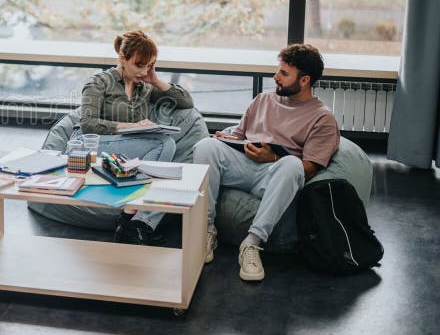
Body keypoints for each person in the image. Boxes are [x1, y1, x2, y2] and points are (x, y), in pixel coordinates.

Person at [194, 43, 340, 282]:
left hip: (274, 175)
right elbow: (239, 135)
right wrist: (226, 139)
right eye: (278, 70)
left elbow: (310, 168)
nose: (275, 77)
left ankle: (252, 244)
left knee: (292, 165)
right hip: (243, 164)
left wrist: (272, 158)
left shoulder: (322, 118)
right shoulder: (262, 100)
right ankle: (207, 229)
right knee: (205, 146)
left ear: (304, 80)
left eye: (284, 73)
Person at [79, 30, 195, 245]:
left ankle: (134, 222)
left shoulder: (145, 87)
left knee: (172, 162)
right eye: (139, 65)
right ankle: (136, 217)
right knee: (164, 143)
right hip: (97, 146)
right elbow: (88, 124)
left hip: (130, 151)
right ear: (122, 58)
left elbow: (186, 102)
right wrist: (131, 126)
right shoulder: (99, 82)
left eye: (149, 65)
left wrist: (156, 79)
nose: (144, 71)